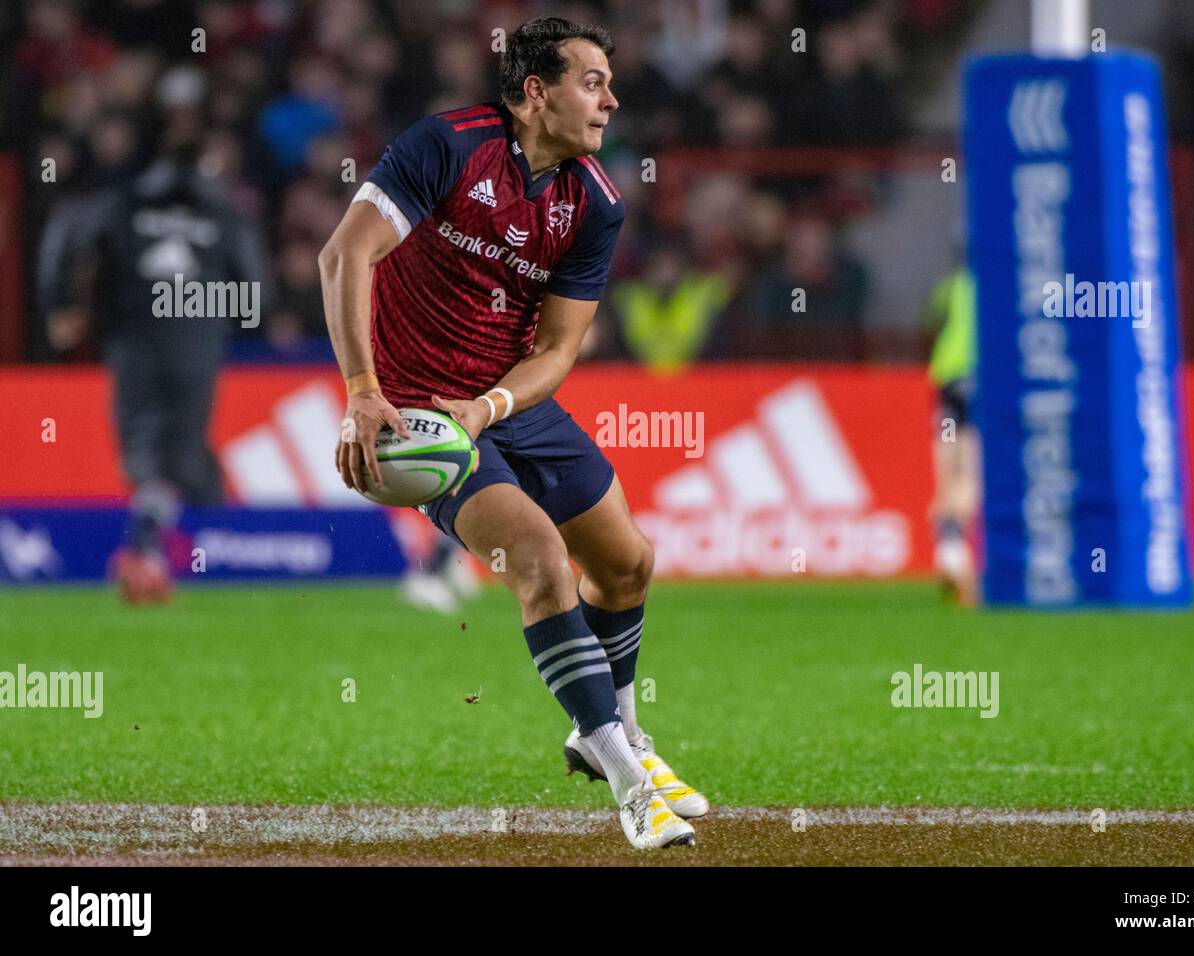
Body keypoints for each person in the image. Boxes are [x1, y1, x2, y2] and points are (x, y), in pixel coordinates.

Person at [318, 17, 706, 850]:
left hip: (504, 401)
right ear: (537, 92)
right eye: (592, 81)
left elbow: (560, 347)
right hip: (417, 413)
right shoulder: (446, 147)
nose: (610, 99)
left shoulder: (595, 203)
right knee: (536, 558)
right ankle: (633, 788)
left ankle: (611, 736)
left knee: (628, 560)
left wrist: (491, 406)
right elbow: (344, 255)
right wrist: (361, 392)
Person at [39, 128, 270, 603]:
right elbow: (257, 283)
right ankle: (162, 551)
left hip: (135, 336)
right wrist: (243, 320)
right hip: (196, 339)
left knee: (144, 448)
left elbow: (66, 234)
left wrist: (60, 305)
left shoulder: (122, 200)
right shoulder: (224, 210)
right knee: (182, 451)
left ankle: (148, 548)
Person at [923, 262, 980, 605]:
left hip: (946, 382)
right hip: (977, 380)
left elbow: (930, 321)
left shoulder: (950, 286)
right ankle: (956, 561)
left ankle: (949, 556)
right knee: (971, 477)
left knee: (947, 478)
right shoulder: (999, 284)